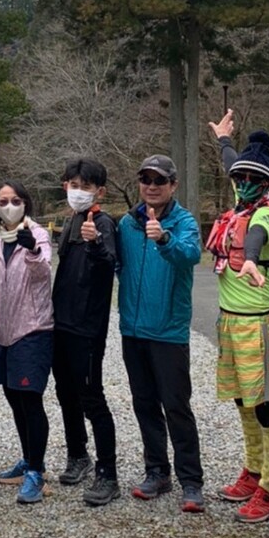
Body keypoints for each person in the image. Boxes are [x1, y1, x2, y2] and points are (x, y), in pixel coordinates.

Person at [206, 113, 269, 523]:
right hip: (229, 321)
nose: (243, 183)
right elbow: (234, 167)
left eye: (253, 179)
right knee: (242, 401)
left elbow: (254, 237)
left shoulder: (268, 214)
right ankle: (253, 471)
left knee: (265, 407)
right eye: (239, 178)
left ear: (268, 183)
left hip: (258, 323)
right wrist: (224, 141)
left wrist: (252, 261)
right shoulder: (241, 199)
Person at [116, 154, 206, 512]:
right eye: (146, 180)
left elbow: (190, 255)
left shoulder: (184, 222)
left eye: (160, 181)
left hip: (168, 331)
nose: (152, 186)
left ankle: (192, 481)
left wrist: (164, 238)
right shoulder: (127, 223)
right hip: (133, 328)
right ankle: (156, 471)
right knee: (144, 403)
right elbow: (117, 263)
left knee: (176, 406)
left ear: (173, 185)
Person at [51, 156, 120, 506]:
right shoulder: (71, 221)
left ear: (100, 191)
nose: (78, 192)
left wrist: (94, 244)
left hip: (87, 329)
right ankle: (78, 454)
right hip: (60, 324)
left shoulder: (102, 222)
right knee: (65, 393)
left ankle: (108, 472)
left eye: (86, 187)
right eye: (73, 185)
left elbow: (109, 265)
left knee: (92, 398)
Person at [0, 181, 53, 506]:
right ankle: (27, 459)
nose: (9, 205)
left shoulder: (37, 235)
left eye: (15, 200)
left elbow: (43, 273)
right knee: (13, 396)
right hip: (5, 332)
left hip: (33, 329)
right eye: (3, 201)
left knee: (30, 399)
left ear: (26, 202)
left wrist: (32, 250)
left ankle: (37, 473)